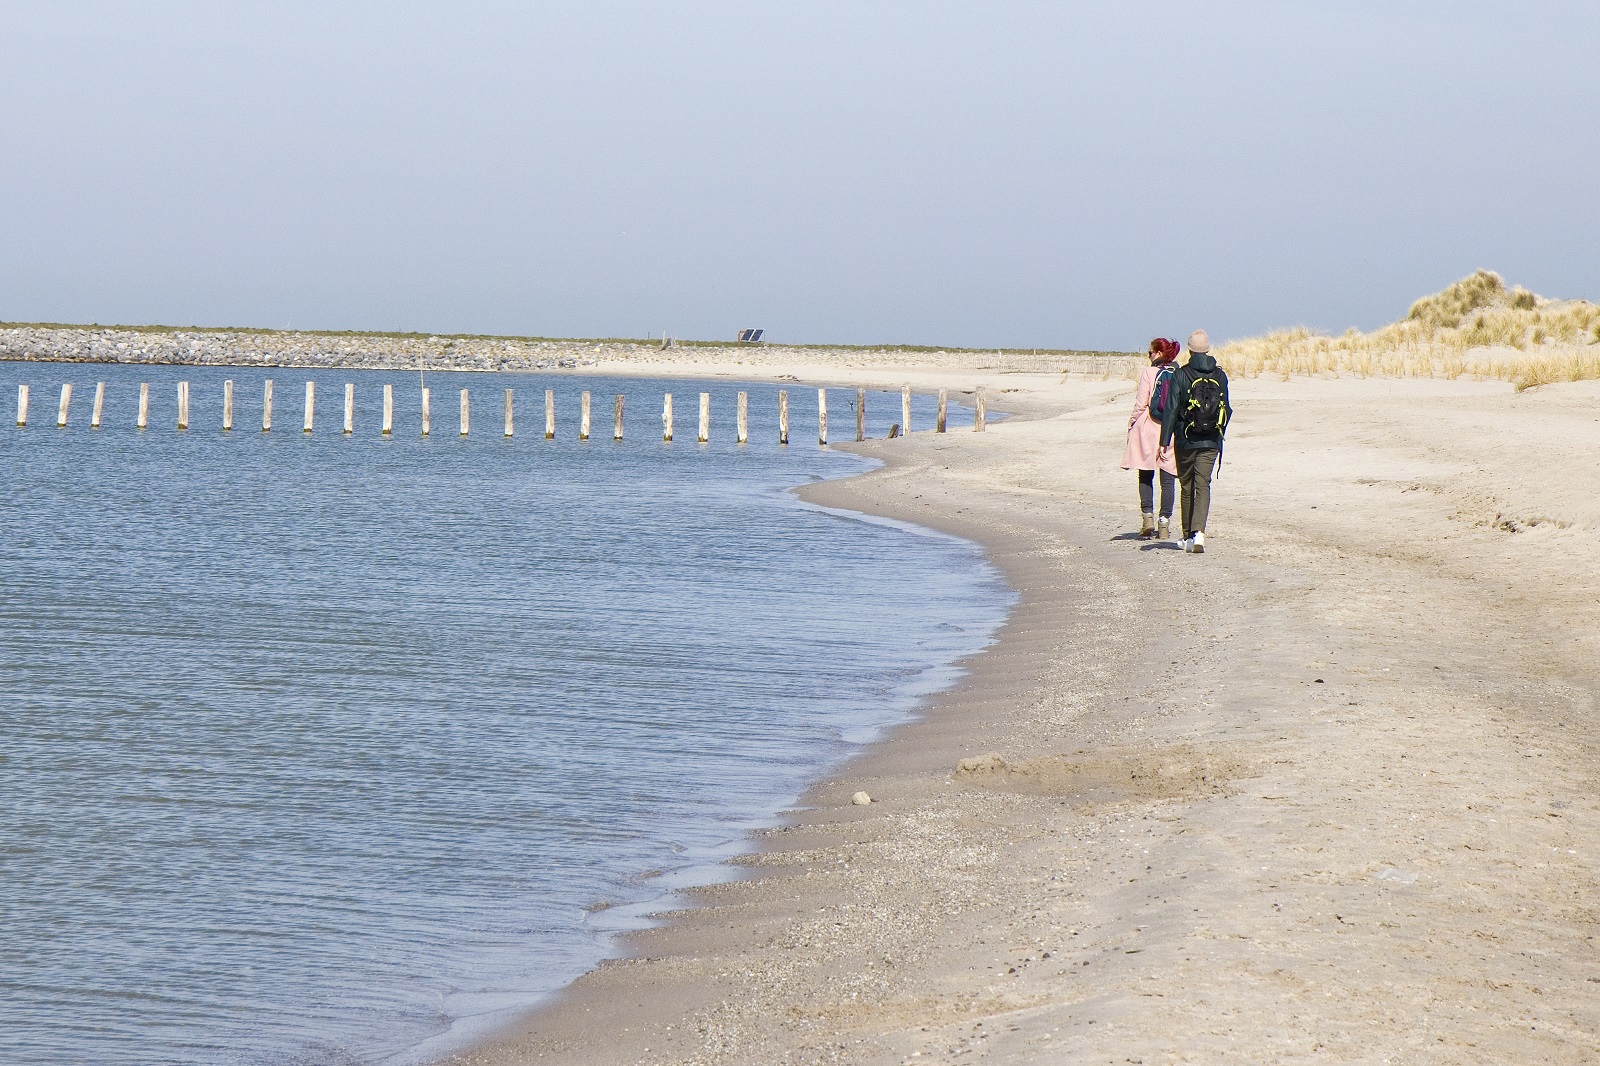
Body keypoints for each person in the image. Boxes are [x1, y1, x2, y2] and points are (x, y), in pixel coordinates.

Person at [1157, 329, 1231, 554]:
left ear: (1189, 350)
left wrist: (1164, 440)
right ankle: (1198, 534)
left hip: (1186, 439)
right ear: (1208, 349)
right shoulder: (1220, 375)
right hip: (1211, 441)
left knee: (1187, 487)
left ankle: (1189, 534)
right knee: (1203, 484)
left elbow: (1171, 409)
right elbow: (1226, 408)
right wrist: (1218, 432)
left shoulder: (1181, 374)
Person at [1121, 337, 1180, 538]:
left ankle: (1147, 517)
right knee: (1168, 479)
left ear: (1159, 354)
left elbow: (1141, 403)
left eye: (1150, 353)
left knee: (1145, 474)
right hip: (1170, 429)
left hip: (1148, 427)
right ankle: (1164, 523)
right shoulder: (1179, 373)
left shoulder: (1149, 372)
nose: (1149, 356)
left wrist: (1131, 423)